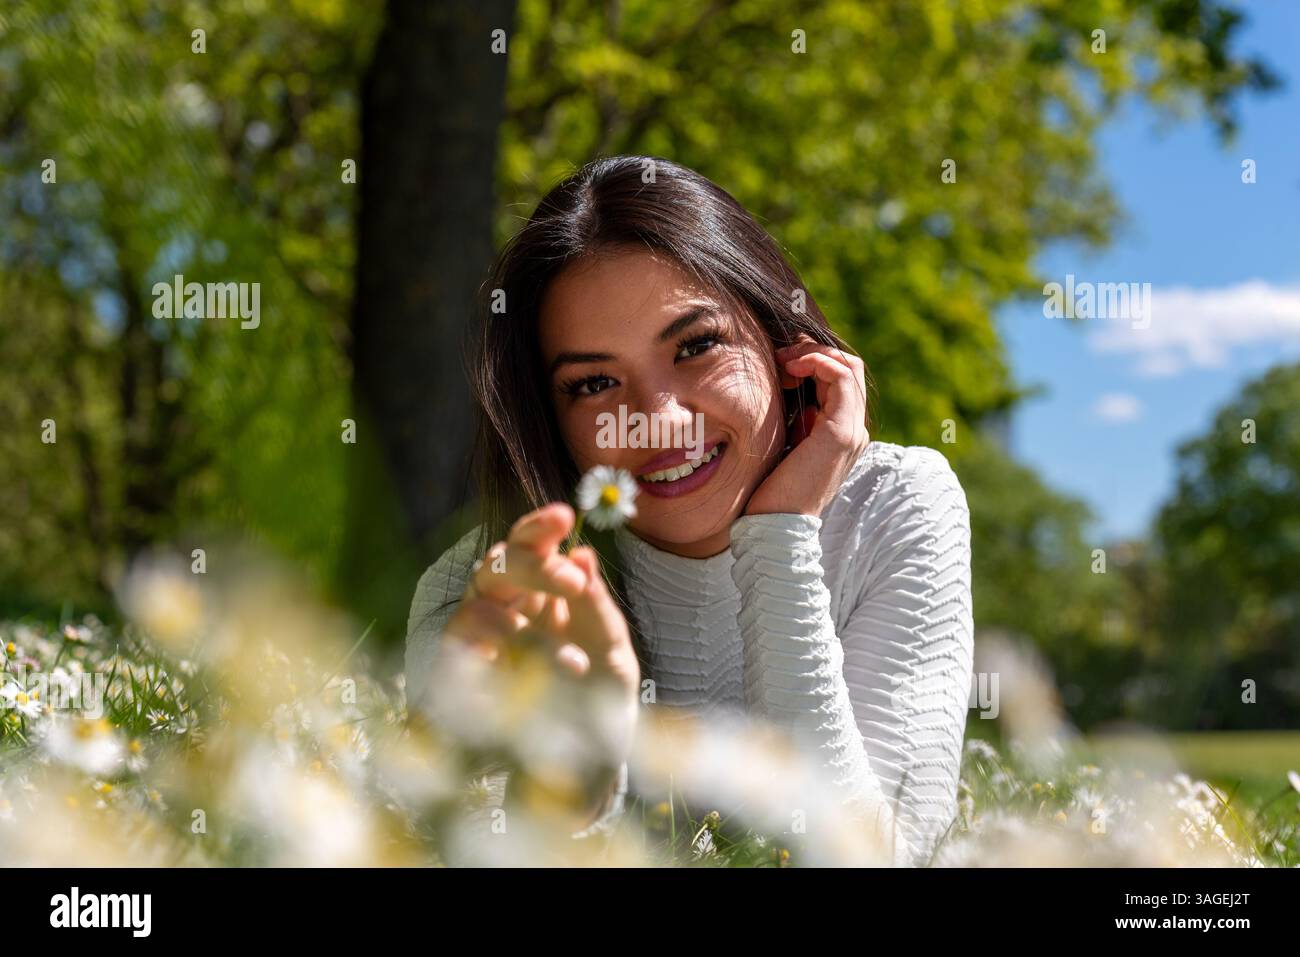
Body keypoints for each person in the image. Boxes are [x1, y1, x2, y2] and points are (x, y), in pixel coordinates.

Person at [406, 155, 974, 866]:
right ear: (549, 419)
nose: (659, 422)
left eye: (697, 346)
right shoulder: (493, 590)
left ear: (779, 340)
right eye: (594, 383)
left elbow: (875, 857)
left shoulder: (895, 507)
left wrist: (781, 538)